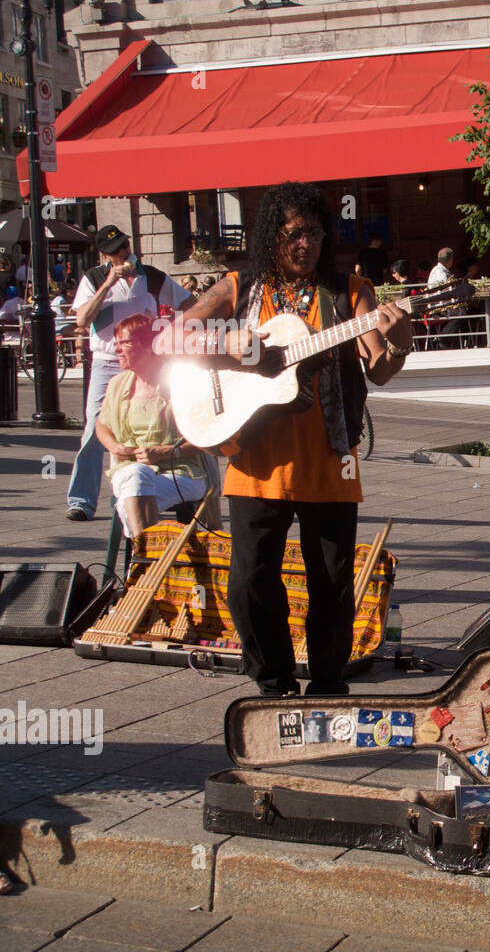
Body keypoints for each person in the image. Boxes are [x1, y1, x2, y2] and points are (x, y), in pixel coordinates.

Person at [158, 181, 414, 697]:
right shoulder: (241, 287)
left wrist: (401, 343)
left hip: (330, 460)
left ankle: (326, 685)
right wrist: (232, 349)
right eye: (295, 234)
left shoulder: (348, 292)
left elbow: (380, 369)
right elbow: (170, 337)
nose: (306, 245)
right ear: (273, 236)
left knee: (332, 584)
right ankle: (273, 684)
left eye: (315, 233)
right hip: (254, 457)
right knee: (251, 581)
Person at [66, 225, 194, 521]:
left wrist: (173, 330)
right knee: (94, 429)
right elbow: (82, 319)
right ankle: (81, 500)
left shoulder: (150, 276)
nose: (123, 254)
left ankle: (160, 486)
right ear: (104, 256)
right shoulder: (94, 278)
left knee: (161, 421)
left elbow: (189, 303)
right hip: (107, 360)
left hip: (146, 361)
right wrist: (109, 283)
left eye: (124, 247)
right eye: (115, 251)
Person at [94, 314, 208, 537]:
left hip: (182, 471)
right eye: (115, 343)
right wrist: (116, 448)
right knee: (136, 475)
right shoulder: (118, 384)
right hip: (128, 470)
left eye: (124, 342)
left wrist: (165, 452)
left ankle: (142, 554)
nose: (117, 349)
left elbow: (206, 437)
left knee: (130, 498)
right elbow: (101, 425)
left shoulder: (181, 382)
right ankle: (150, 554)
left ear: (148, 345)